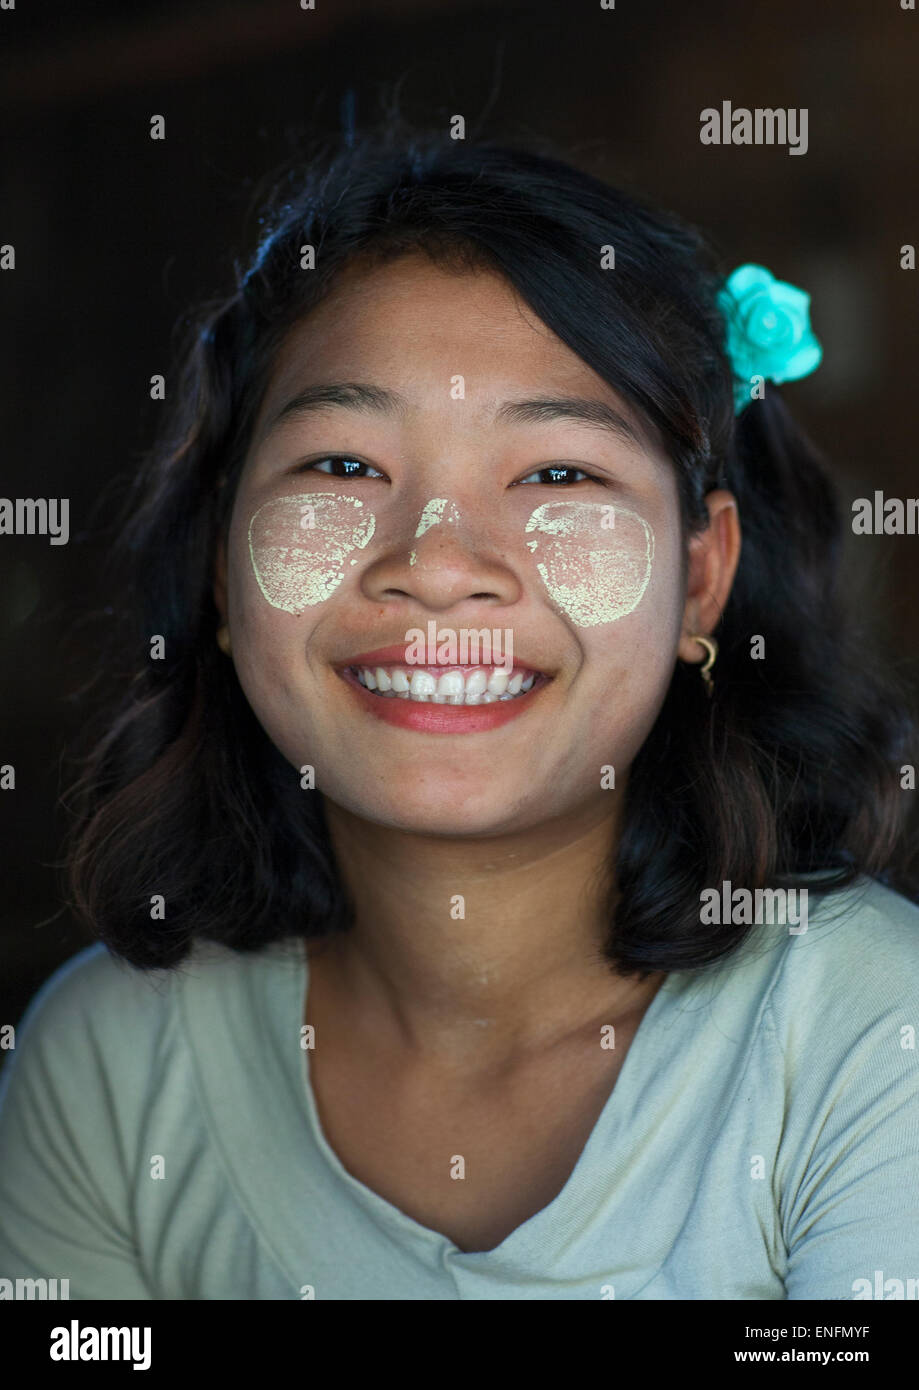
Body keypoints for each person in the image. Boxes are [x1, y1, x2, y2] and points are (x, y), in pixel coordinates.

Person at [1, 123, 918, 1301]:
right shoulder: (108, 1066)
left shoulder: (861, 1037)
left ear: (700, 576)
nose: (437, 565)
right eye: (342, 467)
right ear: (224, 567)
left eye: (556, 474)